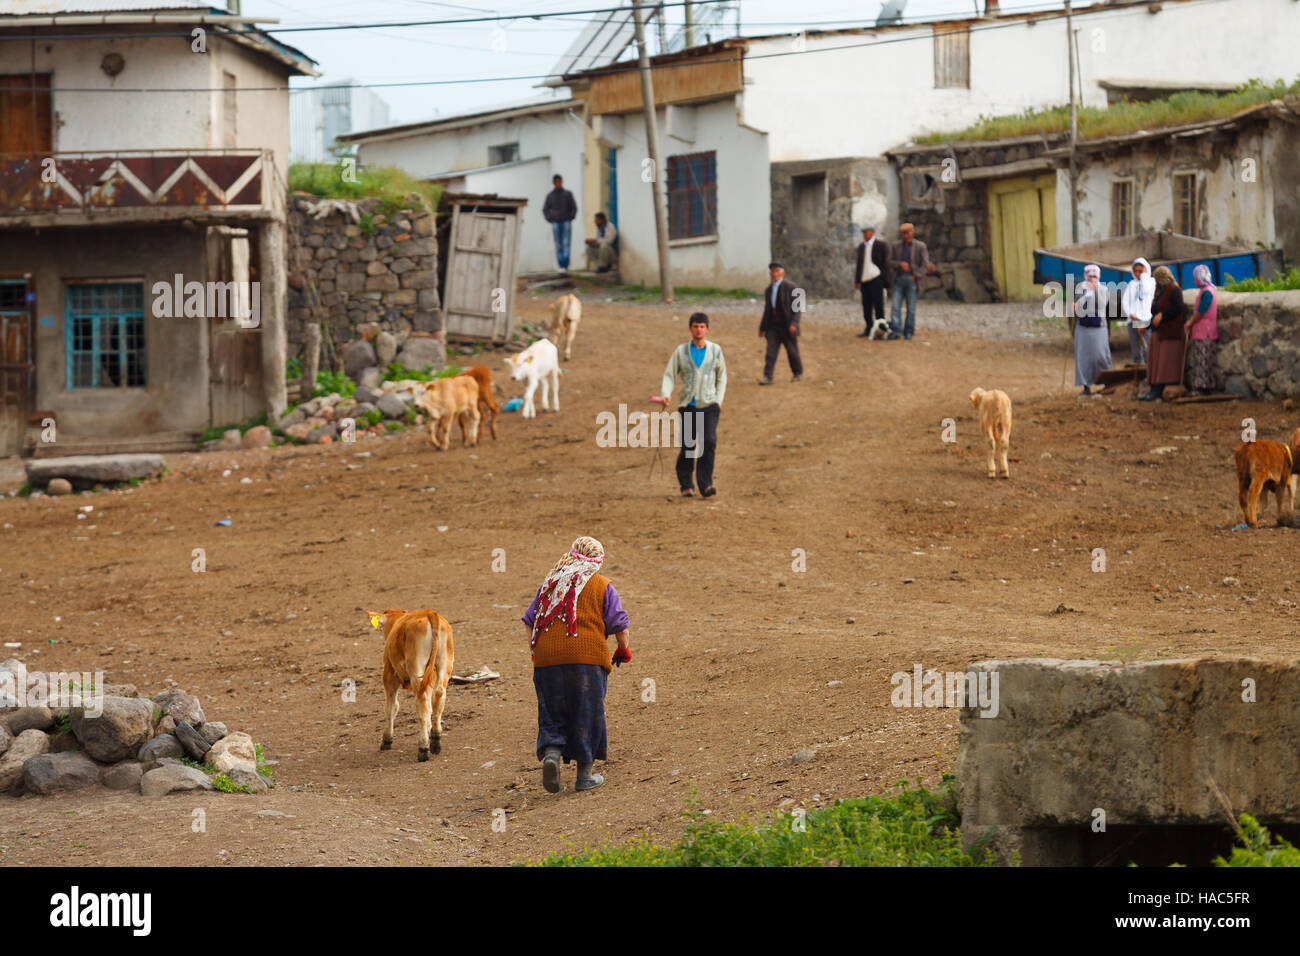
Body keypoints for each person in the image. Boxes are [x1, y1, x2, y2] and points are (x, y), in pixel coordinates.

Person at [522, 536, 631, 794]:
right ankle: (584, 776)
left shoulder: (549, 584)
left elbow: (529, 620)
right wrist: (623, 649)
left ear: (571, 554)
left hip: (547, 661)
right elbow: (619, 624)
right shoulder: (602, 585)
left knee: (551, 710)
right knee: (587, 712)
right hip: (586, 661)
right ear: (597, 560)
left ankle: (551, 754)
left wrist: (536, 651)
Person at [655, 312, 726, 498]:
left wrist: (719, 400)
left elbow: (722, 377)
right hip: (688, 405)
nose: (699, 329)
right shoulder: (681, 352)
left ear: (707, 329)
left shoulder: (716, 351)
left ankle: (706, 484)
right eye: (695, 326)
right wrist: (666, 394)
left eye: (702, 326)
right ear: (690, 328)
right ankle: (686, 485)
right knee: (688, 445)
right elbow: (670, 375)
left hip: (709, 404)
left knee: (709, 441)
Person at [1142, 265, 1186, 401]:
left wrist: (1163, 315)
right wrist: (1146, 326)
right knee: (1156, 361)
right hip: (1159, 332)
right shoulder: (1161, 291)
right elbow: (1155, 311)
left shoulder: (1174, 290)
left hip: (1169, 332)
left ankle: (1158, 389)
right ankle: (1154, 388)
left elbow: (1178, 308)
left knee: (1164, 362)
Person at [759, 261, 803, 384]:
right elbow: (767, 310)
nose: (774, 274)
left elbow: (798, 308)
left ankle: (797, 373)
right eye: (772, 271)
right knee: (770, 352)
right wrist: (762, 328)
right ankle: (768, 376)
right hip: (773, 326)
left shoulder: (792, 287)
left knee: (792, 351)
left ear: (783, 273)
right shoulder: (768, 290)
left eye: (777, 271)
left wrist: (794, 323)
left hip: (787, 325)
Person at [1073, 263, 1113, 395]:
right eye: (1089, 276)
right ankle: (1086, 386)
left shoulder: (1103, 289)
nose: (1092, 279)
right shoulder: (1080, 289)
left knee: (1100, 355)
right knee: (1083, 357)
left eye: (1094, 276)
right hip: (1082, 328)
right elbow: (1077, 307)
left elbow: (1101, 304)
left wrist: (1095, 290)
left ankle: (1108, 382)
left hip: (1098, 328)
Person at [887, 222, 932, 340]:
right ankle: (896, 331)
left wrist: (916, 275)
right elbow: (889, 262)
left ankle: (908, 332)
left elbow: (925, 265)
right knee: (895, 307)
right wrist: (899, 264)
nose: (905, 235)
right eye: (903, 233)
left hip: (913, 280)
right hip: (898, 280)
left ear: (912, 233)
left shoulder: (920, 246)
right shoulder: (895, 246)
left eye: (907, 233)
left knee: (911, 309)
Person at [1185, 264, 1222, 396]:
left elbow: (1201, 310)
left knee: (1202, 359)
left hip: (1204, 331)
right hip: (1205, 330)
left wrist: (1190, 322)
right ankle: (1206, 385)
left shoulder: (1207, 292)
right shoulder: (1209, 289)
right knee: (1205, 358)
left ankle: (1201, 387)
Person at [853, 225, 890, 337]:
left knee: (878, 304)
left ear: (872, 233)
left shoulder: (881, 245)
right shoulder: (861, 247)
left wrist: (885, 279)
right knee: (866, 305)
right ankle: (869, 327)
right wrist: (857, 280)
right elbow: (859, 265)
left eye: (867, 232)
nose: (865, 235)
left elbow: (885, 263)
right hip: (865, 279)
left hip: (876, 278)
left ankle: (881, 328)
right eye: (863, 233)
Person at [1120, 257, 1155, 366]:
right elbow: (1125, 301)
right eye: (1135, 271)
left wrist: (1144, 276)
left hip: (1145, 320)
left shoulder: (1150, 282)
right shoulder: (1131, 284)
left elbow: (1145, 291)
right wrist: (1131, 315)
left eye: (1140, 271)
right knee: (1136, 350)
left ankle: (1148, 374)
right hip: (1133, 319)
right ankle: (1138, 373)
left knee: (1146, 349)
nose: (1137, 273)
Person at [542, 174, 577, 272]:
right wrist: (550, 219)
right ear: (553, 183)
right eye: (556, 182)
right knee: (558, 244)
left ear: (562, 182)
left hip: (566, 221)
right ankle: (561, 265)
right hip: (555, 223)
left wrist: (570, 218)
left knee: (566, 243)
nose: (558, 184)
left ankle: (566, 264)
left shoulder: (568, 194)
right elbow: (545, 209)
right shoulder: (550, 196)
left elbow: (574, 207)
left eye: (560, 182)